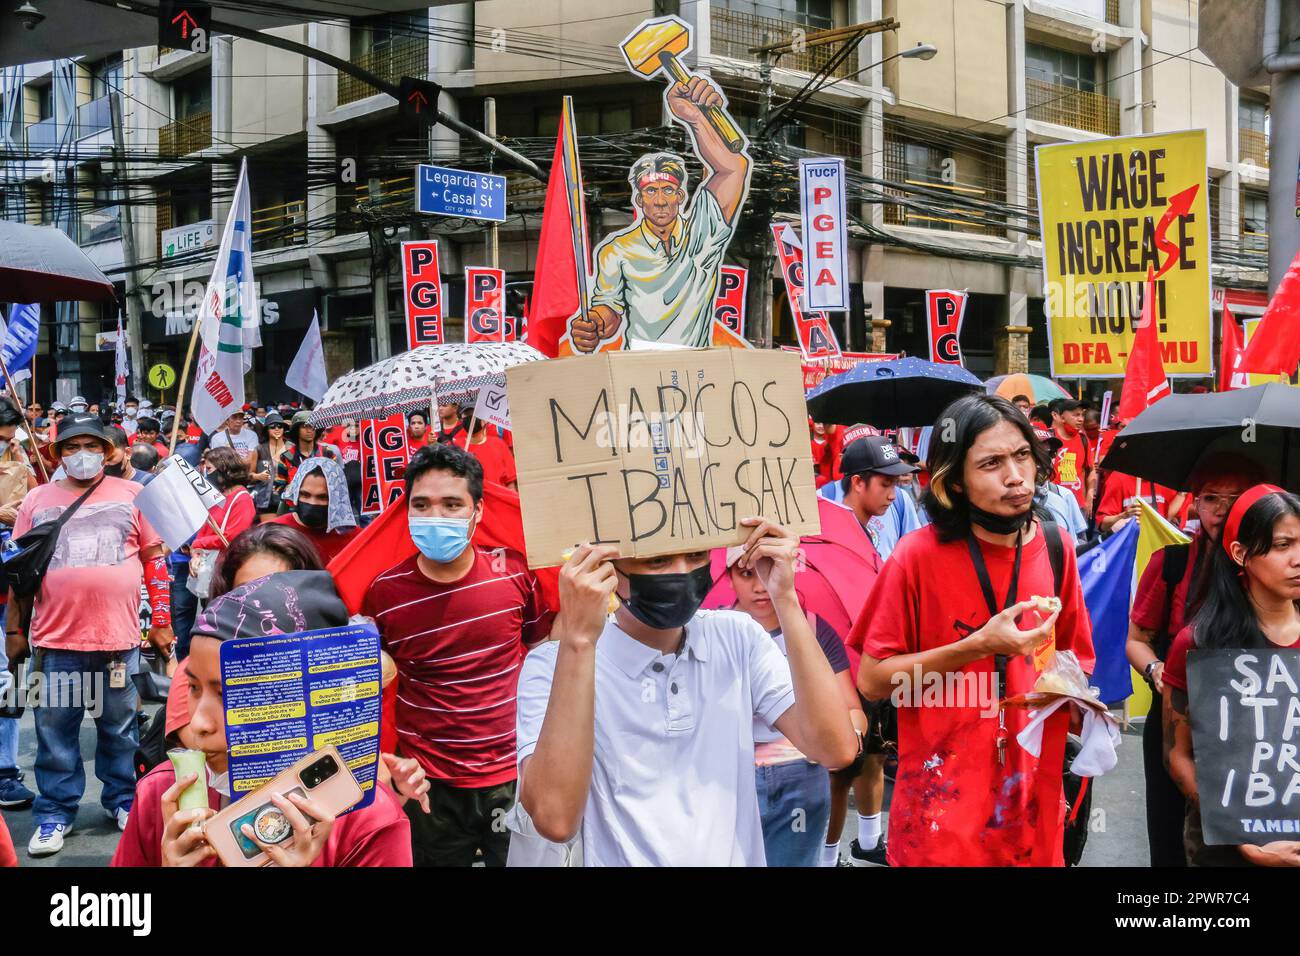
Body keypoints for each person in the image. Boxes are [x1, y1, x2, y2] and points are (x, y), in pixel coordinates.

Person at [517, 513, 857, 865]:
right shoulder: (555, 665)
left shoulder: (739, 637)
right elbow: (554, 819)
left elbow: (835, 750)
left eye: (695, 556)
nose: (681, 572)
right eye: (657, 560)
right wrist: (579, 641)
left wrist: (784, 597)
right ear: (607, 567)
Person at [853, 394, 1095, 866]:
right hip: (939, 817)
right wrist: (976, 646)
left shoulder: (1055, 544)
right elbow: (874, 679)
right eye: (991, 463)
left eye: (1022, 455)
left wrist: (1079, 702)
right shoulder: (915, 558)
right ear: (954, 482)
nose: (1015, 475)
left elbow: (1072, 656)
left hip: (1031, 808)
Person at [110, 569, 415, 867]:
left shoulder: (369, 823)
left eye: (228, 695)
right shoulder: (162, 796)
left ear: (301, 704)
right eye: (193, 687)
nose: (199, 724)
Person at [363, 445, 554, 866]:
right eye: (422, 505)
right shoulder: (384, 593)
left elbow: (540, 652)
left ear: (478, 511)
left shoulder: (515, 574)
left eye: (452, 504)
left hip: (513, 774)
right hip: (426, 783)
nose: (436, 517)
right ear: (406, 512)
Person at [6, 413, 173, 856]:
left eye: (92, 445)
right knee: (54, 732)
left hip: (118, 642)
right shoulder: (36, 500)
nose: (83, 454)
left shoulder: (136, 495)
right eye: (73, 446)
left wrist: (161, 620)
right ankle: (55, 813)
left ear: (107, 450)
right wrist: (14, 629)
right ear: (58, 453)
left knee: (119, 730)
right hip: (54, 642)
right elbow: (21, 575)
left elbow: (155, 562)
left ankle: (122, 801)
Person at [1126, 452, 1263, 867]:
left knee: (1248, 836)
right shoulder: (1172, 562)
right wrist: (1156, 670)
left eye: (1235, 498)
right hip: (1178, 713)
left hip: (1255, 720)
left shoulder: (1273, 565)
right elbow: (1136, 640)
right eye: (1210, 498)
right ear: (1194, 503)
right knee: (1169, 834)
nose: (1221, 509)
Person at [1162, 485, 1300, 867]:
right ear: (1240, 553)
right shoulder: (1200, 642)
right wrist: (1242, 836)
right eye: (1282, 545)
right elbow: (1177, 755)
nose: (1298, 558)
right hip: (1226, 853)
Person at [571, 73, 750, 351]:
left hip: (696, 377)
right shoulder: (616, 251)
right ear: (639, 200)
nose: (660, 200)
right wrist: (591, 325)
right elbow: (609, 311)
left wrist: (696, 117)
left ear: (680, 196)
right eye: (651, 192)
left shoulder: (703, 235)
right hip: (639, 377)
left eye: (668, 190)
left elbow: (733, 169)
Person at [727, 545, 865, 867]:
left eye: (766, 570)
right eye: (747, 574)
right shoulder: (713, 633)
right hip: (731, 776)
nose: (760, 586)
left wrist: (847, 740)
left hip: (802, 776)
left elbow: (852, 709)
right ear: (729, 576)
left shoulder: (814, 630)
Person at [0, 402, 37, 810]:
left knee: (8, 684)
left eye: (10, 439)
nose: (6, 445)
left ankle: (6, 771)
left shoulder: (21, 467)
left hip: (9, 596)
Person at [271, 457, 360, 565]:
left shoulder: (357, 539)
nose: (312, 503)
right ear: (296, 492)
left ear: (337, 499)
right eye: (305, 495)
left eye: (322, 497)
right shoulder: (272, 533)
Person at [1031, 427, 1088, 544]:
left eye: (1051, 453)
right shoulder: (1013, 499)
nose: (1045, 460)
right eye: (1038, 453)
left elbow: (1077, 543)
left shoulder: (1064, 495)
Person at [1049, 398, 1096, 519]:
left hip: (1079, 507)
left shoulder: (1083, 440)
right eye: (1076, 415)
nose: (1081, 419)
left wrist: (1090, 494)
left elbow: (1090, 470)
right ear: (1062, 417)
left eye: (1082, 415)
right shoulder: (1048, 438)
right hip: (1054, 506)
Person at [275, 412, 337, 499]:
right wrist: (291, 489)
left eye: (312, 426)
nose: (309, 430)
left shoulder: (327, 453)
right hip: (294, 506)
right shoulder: (287, 456)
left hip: (321, 506)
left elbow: (336, 483)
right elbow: (278, 486)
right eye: (304, 427)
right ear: (296, 430)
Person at [453, 410, 518, 491]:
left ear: (485, 420)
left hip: (496, 500)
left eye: (474, 416)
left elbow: (510, 483)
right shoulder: (455, 447)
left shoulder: (499, 445)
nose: (471, 420)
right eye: (466, 417)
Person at [250, 411, 288, 518]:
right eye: (273, 426)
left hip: (287, 498)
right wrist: (258, 476)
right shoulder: (259, 449)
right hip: (266, 498)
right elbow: (249, 476)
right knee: (270, 532)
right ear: (267, 430)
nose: (277, 429)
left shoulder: (291, 448)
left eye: (280, 426)